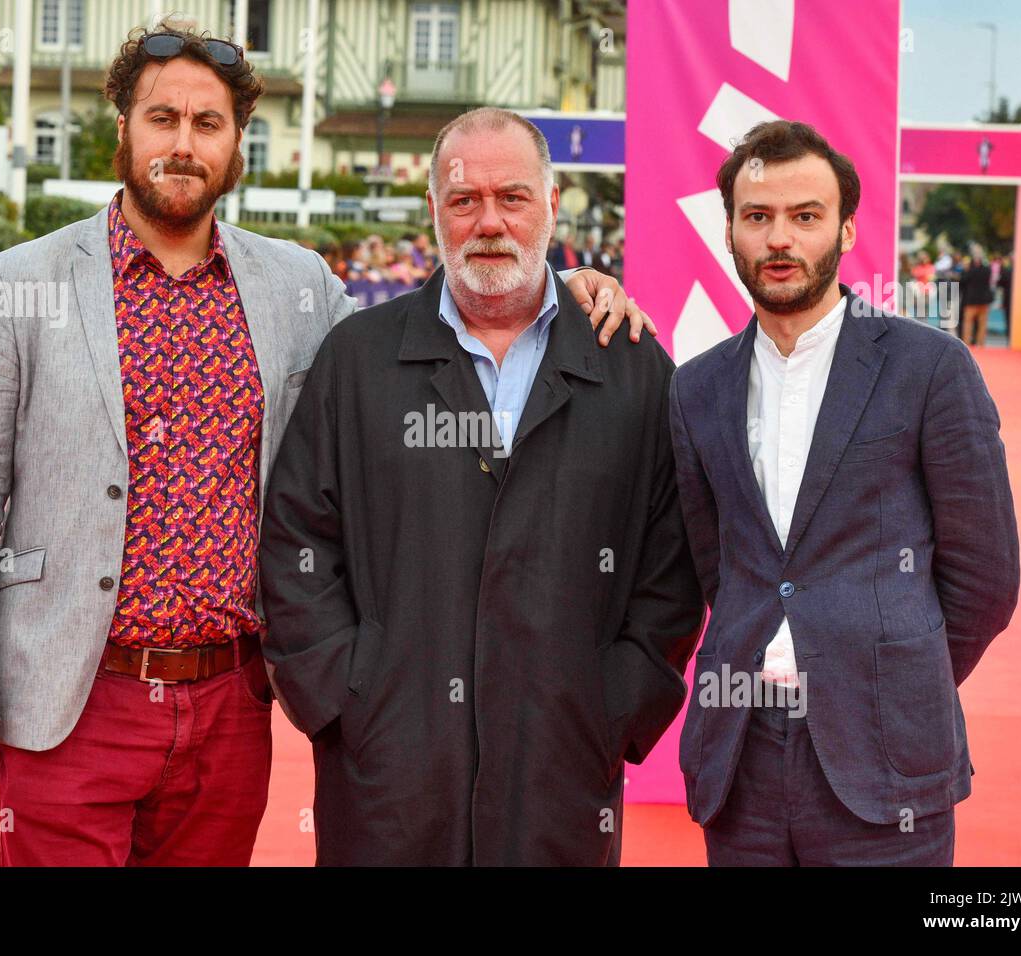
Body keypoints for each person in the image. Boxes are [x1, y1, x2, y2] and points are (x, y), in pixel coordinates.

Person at [0, 24, 651, 869]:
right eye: (163, 119)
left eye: (209, 124)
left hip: (230, 706)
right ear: (121, 128)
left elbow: (427, 331)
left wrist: (561, 287)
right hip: (70, 696)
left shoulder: (300, 290)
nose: (183, 145)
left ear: (236, 148)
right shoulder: (22, 284)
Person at [257, 107, 705, 866]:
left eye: (513, 197)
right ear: (435, 211)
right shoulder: (358, 360)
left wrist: (613, 703)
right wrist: (344, 699)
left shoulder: (631, 367)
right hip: (388, 772)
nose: (488, 221)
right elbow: (296, 539)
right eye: (464, 201)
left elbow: (673, 563)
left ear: (552, 205)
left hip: (561, 767)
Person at [668, 120, 1020, 866]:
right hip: (743, 758)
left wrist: (889, 669)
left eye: (806, 215)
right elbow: (718, 568)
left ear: (846, 229)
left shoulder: (929, 368)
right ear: (729, 230)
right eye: (757, 217)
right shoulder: (696, 388)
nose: (779, 239)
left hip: (886, 759)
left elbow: (986, 579)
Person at [960, 251, 993, 346]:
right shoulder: (987, 270)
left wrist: (965, 270)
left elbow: (963, 281)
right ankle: (981, 343)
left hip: (971, 301)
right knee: (982, 324)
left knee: (968, 324)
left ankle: (967, 343)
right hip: (984, 300)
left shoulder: (970, 270)